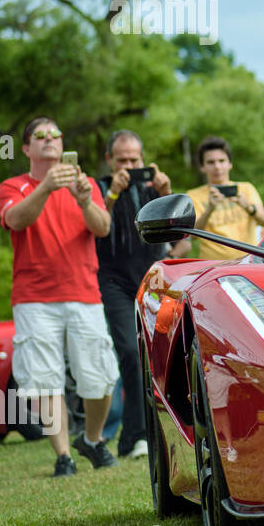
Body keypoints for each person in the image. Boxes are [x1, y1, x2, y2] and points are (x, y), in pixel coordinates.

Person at [0, 117, 119, 476]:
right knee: (45, 379)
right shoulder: (13, 185)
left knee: (99, 376)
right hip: (34, 298)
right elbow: (17, 220)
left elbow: (103, 227)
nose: (49, 140)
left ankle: (93, 440)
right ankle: (64, 456)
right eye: (40, 136)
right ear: (26, 148)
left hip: (83, 293)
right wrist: (46, 187)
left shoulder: (87, 184)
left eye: (55, 135)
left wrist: (84, 201)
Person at [95, 129, 173, 459]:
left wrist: (166, 192)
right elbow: (95, 230)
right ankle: (137, 435)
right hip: (112, 280)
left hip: (151, 277)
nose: (129, 165)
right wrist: (113, 193)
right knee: (129, 351)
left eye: (135, 159)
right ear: (110, 160)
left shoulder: (152, 190)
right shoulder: (98, 189)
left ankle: (137, 436)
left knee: (157, 352)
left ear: (144, 159)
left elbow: (174, 235)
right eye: (122, 159)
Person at [176, 136, 264, 260]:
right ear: (202, 167)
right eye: (210, 162)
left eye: (221, 160)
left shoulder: (246, 188)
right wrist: (210, 209)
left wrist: (247, 207)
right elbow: (192, 235)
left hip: (249, 261)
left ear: (230, 163)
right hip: (214, 266)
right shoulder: (193, 195)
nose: (217, 167)